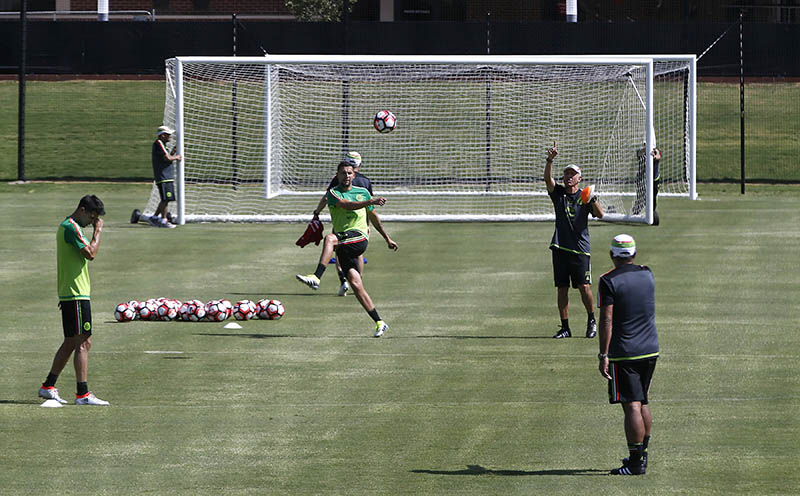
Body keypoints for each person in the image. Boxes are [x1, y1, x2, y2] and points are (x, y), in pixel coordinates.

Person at [296, 160, 398, 337]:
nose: (346, 176)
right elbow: (346, 205)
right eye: (343, 173)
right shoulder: (333, 194)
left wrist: (387, 238)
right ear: (337, 175)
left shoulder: (363, 192)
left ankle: (316, 277)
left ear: (354, 175)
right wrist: (370, 201)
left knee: (330, 238)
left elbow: (373, 216)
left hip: (358, 237)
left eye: (349, 173)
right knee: (356, 283)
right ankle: (379, 322)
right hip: (344, 243)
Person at [38, 195, 110, 406]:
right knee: (82, 341)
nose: (92, 221)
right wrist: (98, 232)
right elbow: (90, 254)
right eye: (92, 216)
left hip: (74, 293)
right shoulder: (71, 227)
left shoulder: (69, 227)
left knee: (74, 341)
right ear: (82, 210)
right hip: (75, 294)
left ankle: (48, 386)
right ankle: (82, 394)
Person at [597, 234, 659, 475]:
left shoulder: (608, 281)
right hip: (650, 348)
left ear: (612, 255)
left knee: (631, 405)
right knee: (642, 400)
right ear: (634, 254)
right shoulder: (647, 273)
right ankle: (641, 454)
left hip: (625, 352)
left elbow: (607, 319)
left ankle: (635, 463)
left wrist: (604, 353)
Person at [544, 140, 604, 339]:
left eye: (572, 174)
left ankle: (591, 320)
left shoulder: (585, 196)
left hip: (580, 249)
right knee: (562, 289)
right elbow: (548, 180)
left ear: (579, 178)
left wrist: (593, 199)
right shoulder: (558, 194)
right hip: (560, 247)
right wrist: (549, 161)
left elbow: (600, 215)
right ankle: (565, 327)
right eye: (566, 174)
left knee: (584, 287)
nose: (568, 177)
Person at [311, 151, 386, 297]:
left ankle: (342, 281)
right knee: (358, 253)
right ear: (360, 164)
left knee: (336, 246)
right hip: (360, 224)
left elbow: (328, 198)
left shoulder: (338, 178)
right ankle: (358, 281)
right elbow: (369, 209)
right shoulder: (366, 182)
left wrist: (317, 212)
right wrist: (369, 226)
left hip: (341, 221)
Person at [130, 125, 182, 228]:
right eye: (168, 135)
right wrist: (177, 157)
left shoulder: (163, 145)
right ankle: (163, 220)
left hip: (166, 176)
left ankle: (154, 218)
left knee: (165, 199)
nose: (170, 136)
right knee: (165, 199)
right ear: (162, 135)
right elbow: (167, 158)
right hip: (164, 177)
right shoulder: (159, 143)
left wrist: (172, 152)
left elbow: (165, 158)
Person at [632, 145, 662, 225]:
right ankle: (635, 213)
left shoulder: (656, 151)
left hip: (654, 179)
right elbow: (638, 154)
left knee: (653, 197)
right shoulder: (641, 151)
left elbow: (658, 156)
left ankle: (652, 213)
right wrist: (645, 150)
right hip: (642, 179)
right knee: (641, 198)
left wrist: (655, 156)